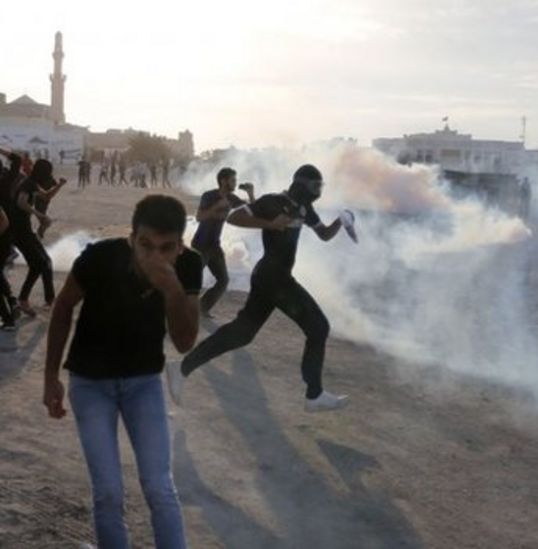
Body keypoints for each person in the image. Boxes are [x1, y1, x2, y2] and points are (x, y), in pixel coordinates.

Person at [43, 195, 202, 549]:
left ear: (180, 246)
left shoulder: (189, 266)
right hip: (89, 383)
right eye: (145, 245)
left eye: (167, 248)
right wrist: (50, 376)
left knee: (160, 488)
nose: (154, 257)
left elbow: (185, 341)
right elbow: (64, 304)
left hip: (143, 382)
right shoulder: (100, 258)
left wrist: (172, 288)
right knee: (108, 493)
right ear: (131, 238)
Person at [169, 164, 357, 412]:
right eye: (314, 186)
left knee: (242, 334)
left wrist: (341, 221)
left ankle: (181, 368)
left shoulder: (304, 208)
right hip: (274, 279)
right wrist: (270, 225)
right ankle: (314, 394)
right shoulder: (274, 202)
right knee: (319, 327)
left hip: (271, 279)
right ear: (301, 184)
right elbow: (234, 217)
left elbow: (323, 234)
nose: (317, 191)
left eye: (320, 187)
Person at [191, 167, 255, 317]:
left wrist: (251, 193)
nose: (235, 183)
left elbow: (253, 210)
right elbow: (199, 217)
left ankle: (202, 307)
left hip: (214, 245)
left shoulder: (232, 199)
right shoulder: (209, 196)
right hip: (201, 245)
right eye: (233, 180)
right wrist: (217, 207)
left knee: (223, 280)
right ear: (223, 181)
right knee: (189, 279)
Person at [9, 158, 62, 315]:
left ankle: (50, 299)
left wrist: (60, 185)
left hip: (25, 230)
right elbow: (21, 202)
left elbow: (46, 196)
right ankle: (23, 300)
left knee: (46, 262)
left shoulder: (31, 183)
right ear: (43, 172)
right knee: (38, 264)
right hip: (18, 232)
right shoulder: (28, 184)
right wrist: (40, 215)